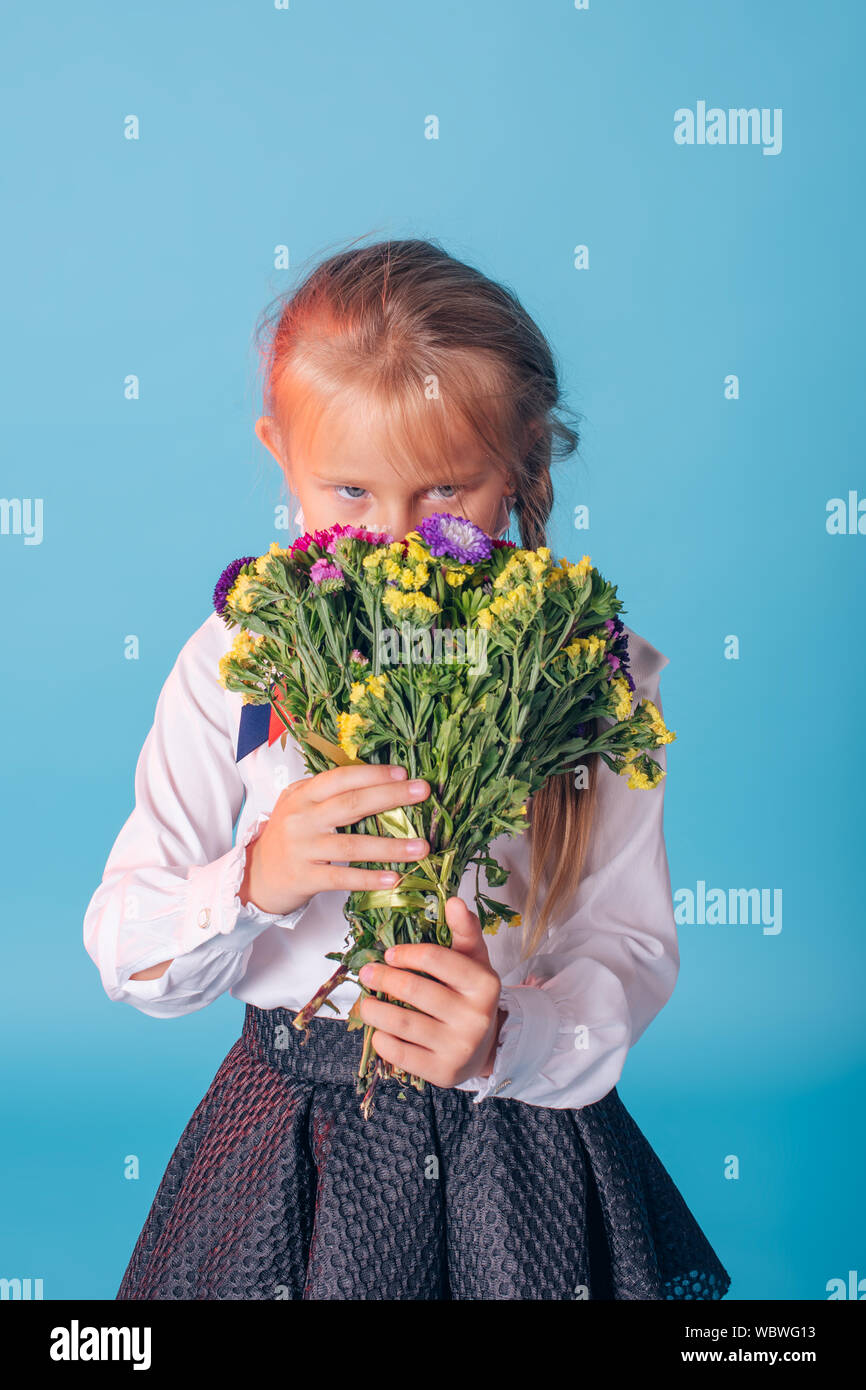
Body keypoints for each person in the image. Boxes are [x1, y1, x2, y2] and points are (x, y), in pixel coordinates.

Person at [84, 236, 731, 1301]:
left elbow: (626, 944)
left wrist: (506, 1039)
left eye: (444, 494)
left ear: (521, 462)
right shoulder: (232, 662)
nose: (392, 540)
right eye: (347, 491)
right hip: (298, 1139)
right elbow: (127, 950)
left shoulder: (588, 670)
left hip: (515, 1142)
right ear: (278, 455)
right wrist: (254, 879)